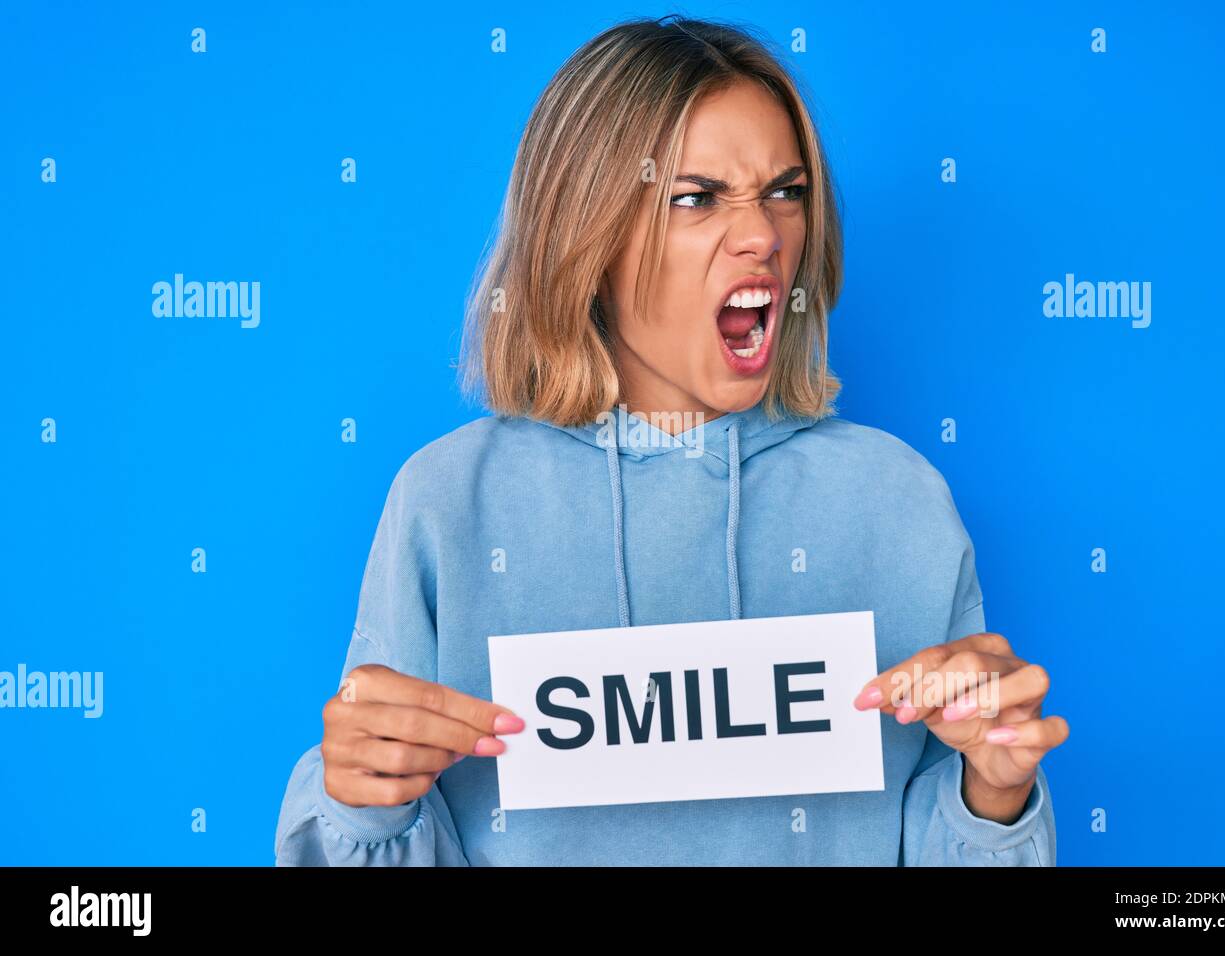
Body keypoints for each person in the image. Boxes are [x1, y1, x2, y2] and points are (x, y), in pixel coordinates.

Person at [274, 14, 1068, 866]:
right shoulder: (446, 504)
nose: (763, 235)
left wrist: (994, 792)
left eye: (785, 191)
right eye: (697, 198)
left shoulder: (898, 501)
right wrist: (360, 803)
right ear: (588, 234)